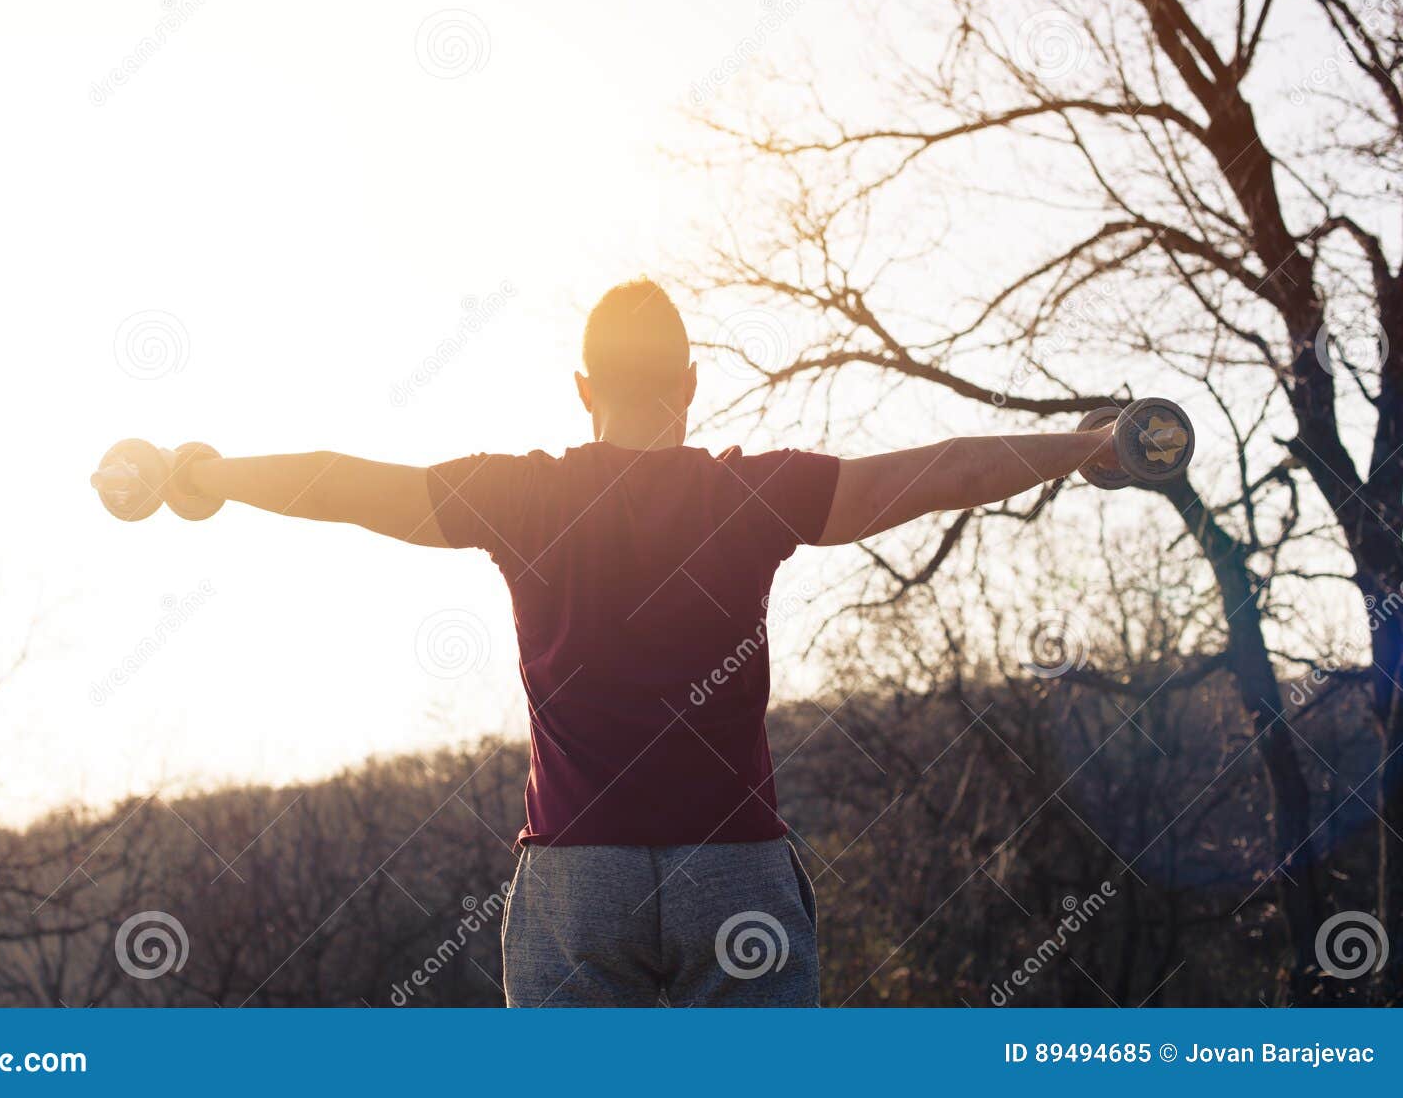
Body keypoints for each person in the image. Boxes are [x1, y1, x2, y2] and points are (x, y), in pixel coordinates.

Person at [159, 278, 1123, 1006]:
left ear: (584, 389)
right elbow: (941, 467)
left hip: (581, 875)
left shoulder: (522, 495)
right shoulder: (754, 493)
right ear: (692, 384)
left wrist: (204, 472)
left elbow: (346, 483)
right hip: (733, 869)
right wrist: (1090, 447)